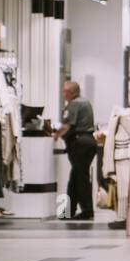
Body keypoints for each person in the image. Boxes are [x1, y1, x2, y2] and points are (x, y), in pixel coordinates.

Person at [53, 80, 97, 222]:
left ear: (71, 92)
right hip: (89, 142)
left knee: (79, 177)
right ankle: (70, 211)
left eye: (64, 91)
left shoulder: (74, 104)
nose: (63, 94)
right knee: (77, 176)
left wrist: (55, 135)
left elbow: (67, 126)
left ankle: (86, 210)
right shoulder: (85, 102)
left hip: (79, 143)